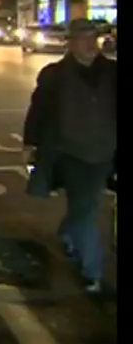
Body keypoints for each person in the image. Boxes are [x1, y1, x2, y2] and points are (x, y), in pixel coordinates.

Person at [23, 18, 116, 294]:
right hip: (69, 152)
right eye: (84, 39)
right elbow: (38, 111)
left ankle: (66, 233)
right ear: (71, 43)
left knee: (85, 205)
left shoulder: (112, 71)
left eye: (93, 38)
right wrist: (30, 144)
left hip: (106, 152)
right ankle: (93, 272)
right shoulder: (54, 75)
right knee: (86, 208)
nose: (90, 44)